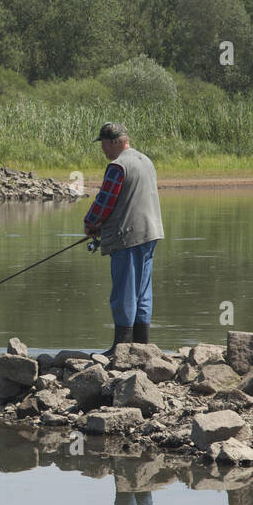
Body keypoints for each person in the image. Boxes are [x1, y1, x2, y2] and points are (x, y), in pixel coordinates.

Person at [83, 123, 165, 352]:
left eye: (103, 144)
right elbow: (129, 200)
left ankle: (122, 347)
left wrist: (90, 224)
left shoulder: (118, 166)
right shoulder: (145, 160)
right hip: (151, 233)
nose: (103, 149)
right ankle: (141, 346)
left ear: (114, 142)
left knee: (124, 292)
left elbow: (106, 201)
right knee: (142, 291)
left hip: (128, 237)